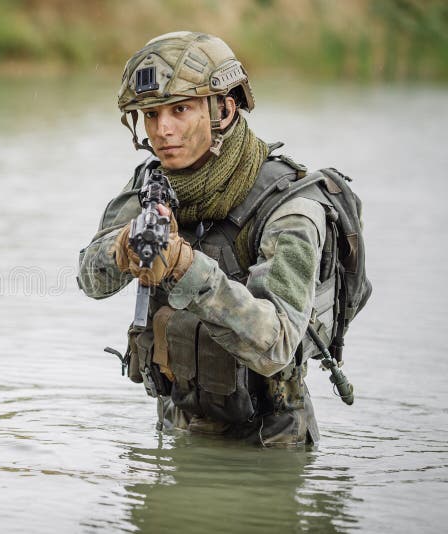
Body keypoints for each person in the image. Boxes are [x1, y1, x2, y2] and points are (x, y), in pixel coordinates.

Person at [78, 31, 336, 447]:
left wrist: (183, 266)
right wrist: (124, 249)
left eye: (180, 110)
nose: (163, 130)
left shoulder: (289, 206)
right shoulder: (151, 184)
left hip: (269, 445)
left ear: (224, 110)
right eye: (151, 114)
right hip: (177, 428)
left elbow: (276, 344)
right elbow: (91, 281)